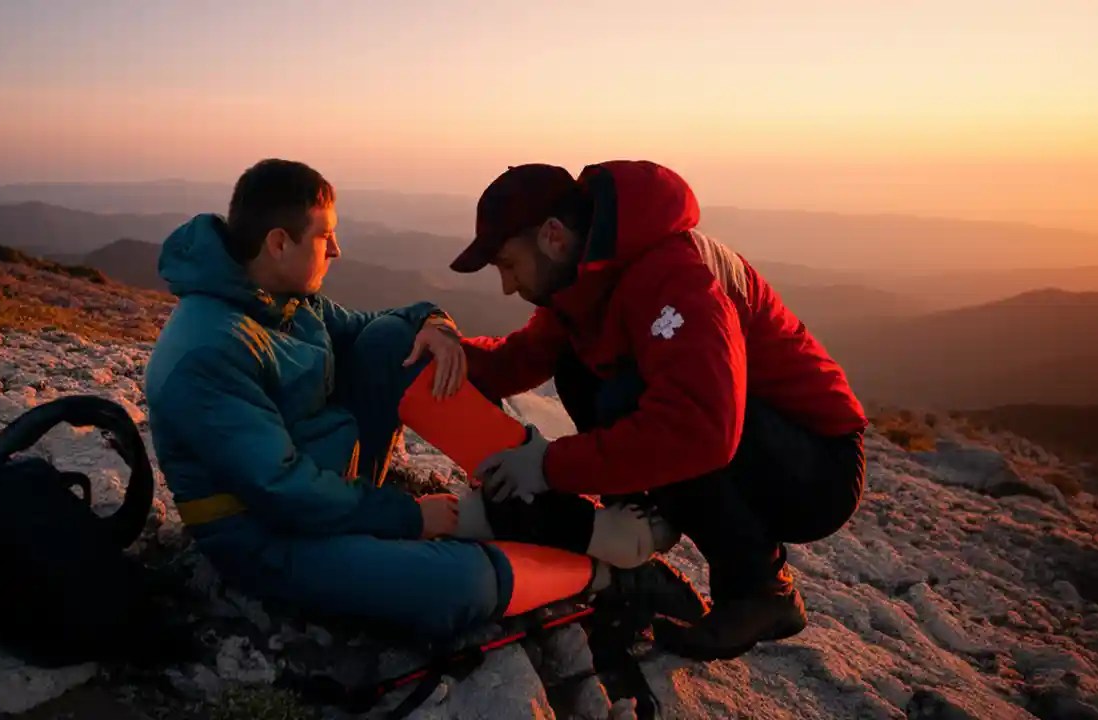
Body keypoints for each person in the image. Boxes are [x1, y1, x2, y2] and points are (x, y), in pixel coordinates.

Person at [143, 159, 677, 642]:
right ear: (280, 243)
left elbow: (380, 328)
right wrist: (408, 517)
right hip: (267, 533)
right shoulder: (208, 354)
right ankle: (608, 575)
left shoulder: (282, 300)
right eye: (325, 235)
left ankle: (542, 505)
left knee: (396, 344)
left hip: (331, 483)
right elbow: (281, 492)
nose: (336, 249)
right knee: (461, 585)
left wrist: (435, 323)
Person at [447, 161, 869, 660]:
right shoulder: (589, 276)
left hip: (818, 468)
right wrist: (439, 341)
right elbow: (517, 361)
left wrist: (547, 465)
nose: (507, 286)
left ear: (553, 236)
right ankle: (626, 540)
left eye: (508, 264)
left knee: (638, 401)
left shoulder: (673, 275)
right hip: (753, 436)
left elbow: (698, 429)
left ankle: (760, 590)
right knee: (583, 370)